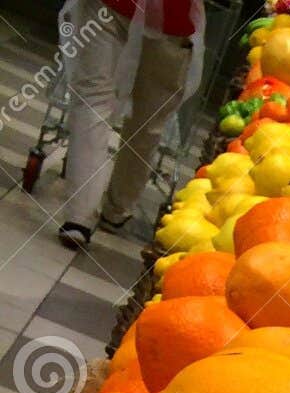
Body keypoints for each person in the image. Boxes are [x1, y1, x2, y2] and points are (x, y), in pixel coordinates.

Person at [57, 0, 205, 250]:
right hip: (173, 18)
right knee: (147, 122)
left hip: (112, 8)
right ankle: (116, 208)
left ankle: (79, 216)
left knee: (93, 101)